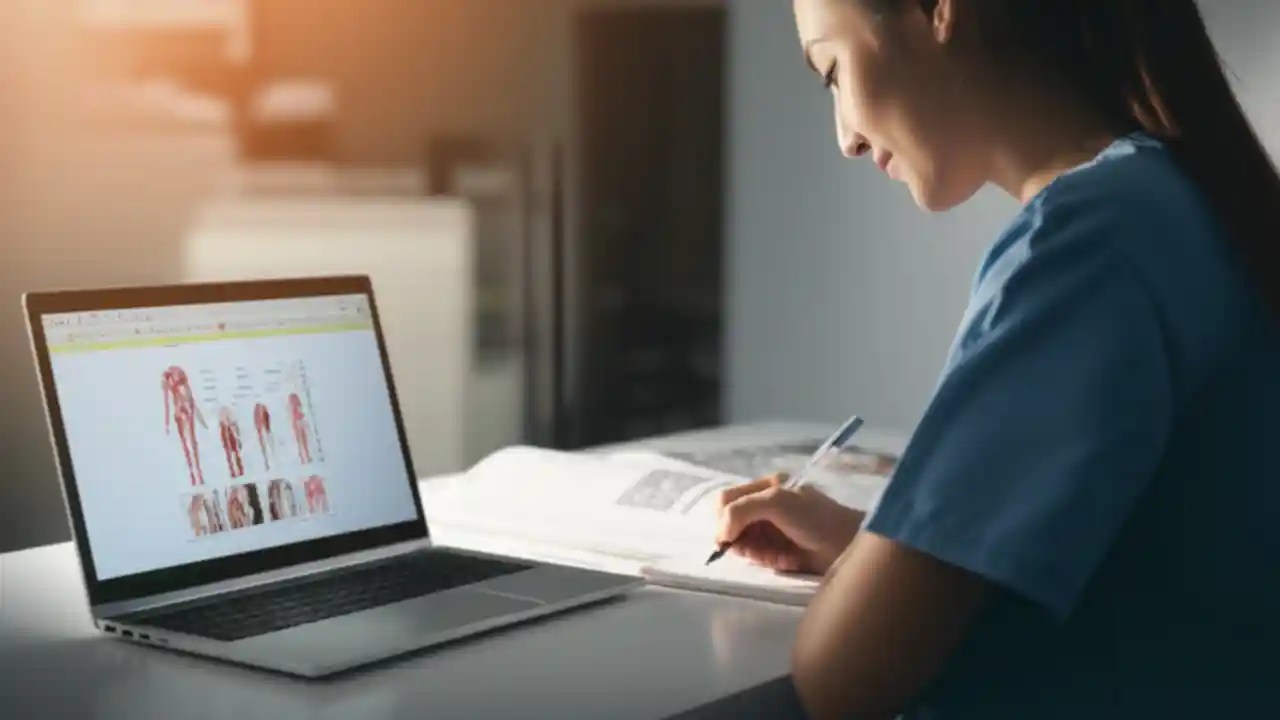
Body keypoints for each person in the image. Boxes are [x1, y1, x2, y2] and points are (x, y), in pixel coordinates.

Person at [715, 1, 1280, 717]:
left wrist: (881, 564)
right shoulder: (1174, 202)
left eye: (832, 68)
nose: (845, 140)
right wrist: (877, 544)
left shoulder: (1087, 248)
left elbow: (842, 677)